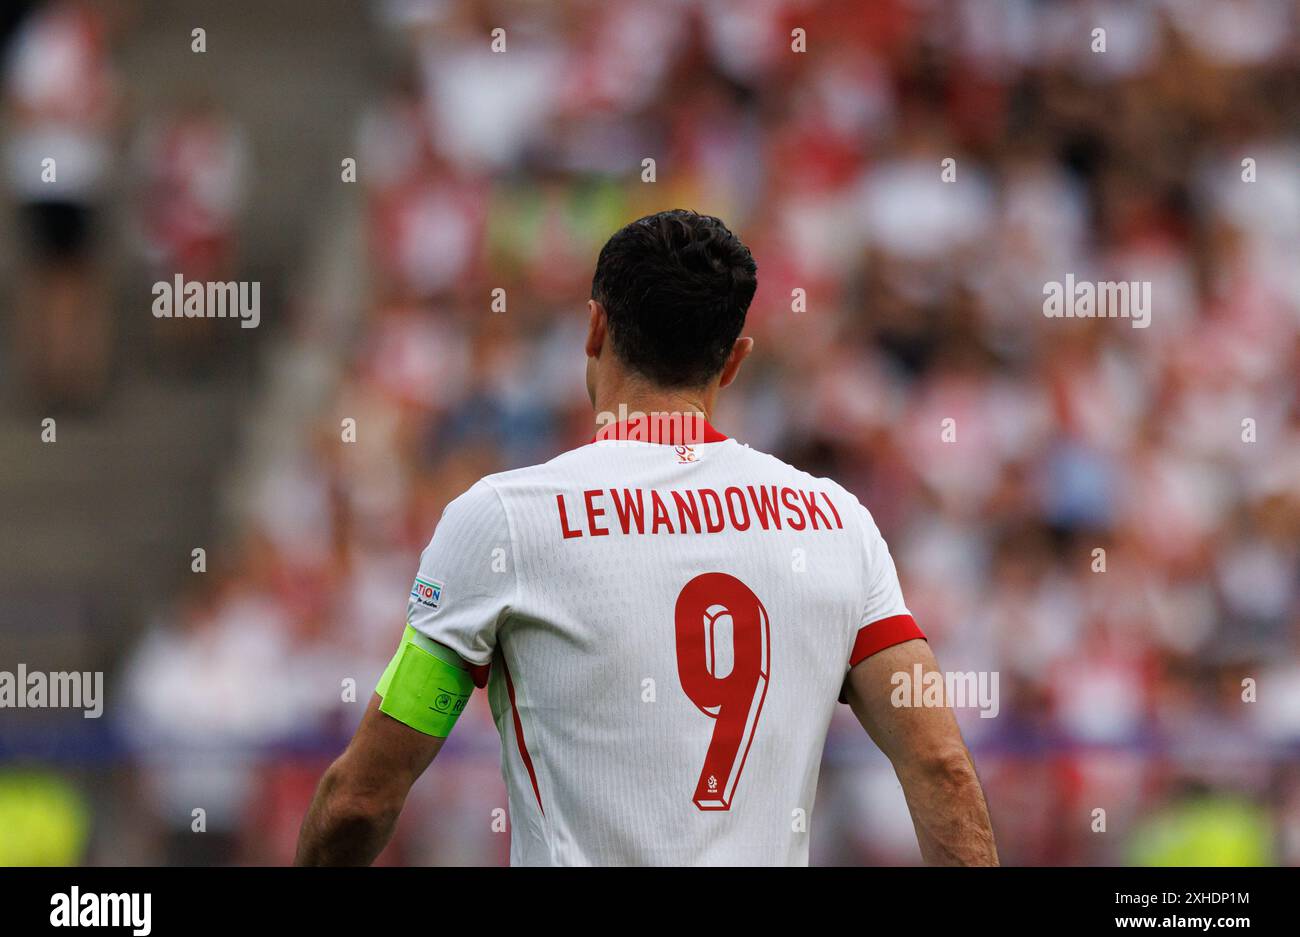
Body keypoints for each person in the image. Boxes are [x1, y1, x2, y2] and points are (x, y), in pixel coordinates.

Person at [295, 210, 998, 866]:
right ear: (734, 360)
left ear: (595, 329)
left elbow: (362, 800)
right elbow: (939, 766)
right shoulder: (835, 521)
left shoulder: (505, 520)